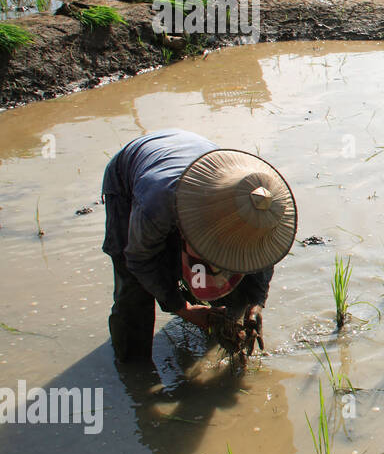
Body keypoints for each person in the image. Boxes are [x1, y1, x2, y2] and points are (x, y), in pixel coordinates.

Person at [101, 130, 297, 364]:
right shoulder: (157, 204)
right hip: (133, 178)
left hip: (205, 169)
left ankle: (217, 319)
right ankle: (133, 371)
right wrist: (182, 308)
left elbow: (260, 254)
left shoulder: (261, 206)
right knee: (135, 289)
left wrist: (256, 302)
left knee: (235, 277)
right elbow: (138, 260)